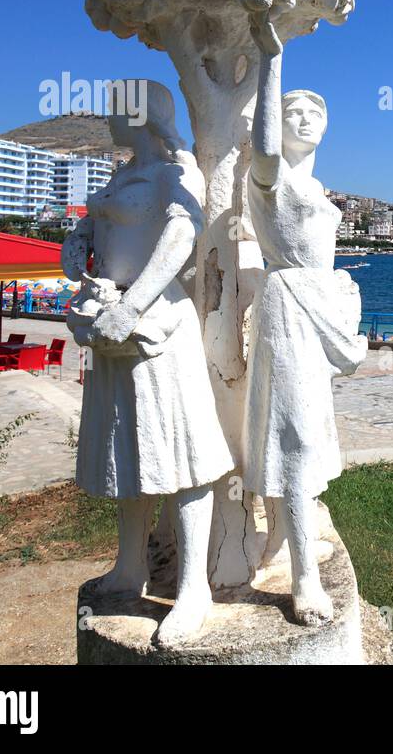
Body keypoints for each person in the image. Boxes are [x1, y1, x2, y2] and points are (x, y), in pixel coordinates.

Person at [61, 79, 233, 647]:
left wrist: (134, 304)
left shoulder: (176, 170)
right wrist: (79, 248)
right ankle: (130, 566)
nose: (107, 118)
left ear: (144, 115)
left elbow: (181, 236)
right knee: (128, 451)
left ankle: (192, 589)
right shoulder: (119, 175)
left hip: (156, 322)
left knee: (180, 454)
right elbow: (100, 240)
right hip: (112, 324)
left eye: (117, 110)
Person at [241, 13, 368, 625]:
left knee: (305, 426)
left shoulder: (317, 190)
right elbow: (262, 149)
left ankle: (280, 538)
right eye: (294, 112)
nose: (304, 119)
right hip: (288, 304)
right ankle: (303, 579)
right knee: (291, 432)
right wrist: (273, 58)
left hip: (318, 310)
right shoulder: (274, 181)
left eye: (315, 114)